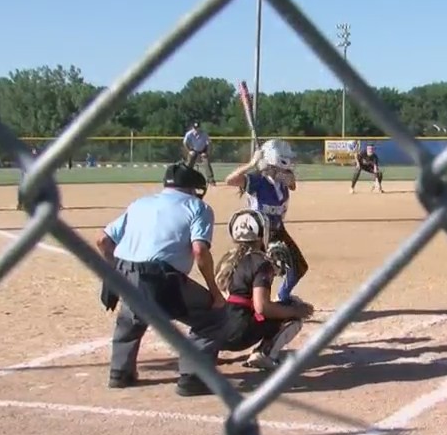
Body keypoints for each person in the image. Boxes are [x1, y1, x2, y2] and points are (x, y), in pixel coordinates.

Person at [96, 162, 227, 397]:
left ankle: (120, 373)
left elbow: (103, 242)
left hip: (125, 271)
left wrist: (115, 272)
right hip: (161, 278)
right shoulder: (198, 207)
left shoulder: (140, 203)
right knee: (211, 316)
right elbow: (199, 251)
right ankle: (193, 378)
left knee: (130, 317)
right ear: (192, 188)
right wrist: (215, 292)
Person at [212, 208, 314, 371]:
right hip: (241, 333)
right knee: (292, 309)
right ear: (262, 232)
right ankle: (265, 353)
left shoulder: (227, 259)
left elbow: (224, 296)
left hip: (215, 332)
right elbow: (262, 307)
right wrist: (295, 311)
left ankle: (209, 353)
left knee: (236, 305)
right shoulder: (261, 262)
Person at [224, 139, 309, 304]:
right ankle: (246, 301)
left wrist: (277, 173)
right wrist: (252, 163)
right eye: (286, 159)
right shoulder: (257, 181)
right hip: (257, 234)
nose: (290, 163)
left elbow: (292, 184)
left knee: (299, 267)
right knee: (257, 272)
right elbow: (230, 180)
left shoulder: (281, 181)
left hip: (277, 229)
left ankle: (282, 298)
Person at [182, 121, 216, 185]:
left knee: (206, 161)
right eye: (195, 128)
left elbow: (209, 144)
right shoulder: (189, 134)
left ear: (199, 128)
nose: (196, 130)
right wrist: (189, 151)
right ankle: (186, 177)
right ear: (192, 128)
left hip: (202, 150)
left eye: (197, 128)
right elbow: (184, 143)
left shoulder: (204, 134)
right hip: (193, 150)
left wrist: (206, 153)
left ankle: (211, 179)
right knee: (190, 161)